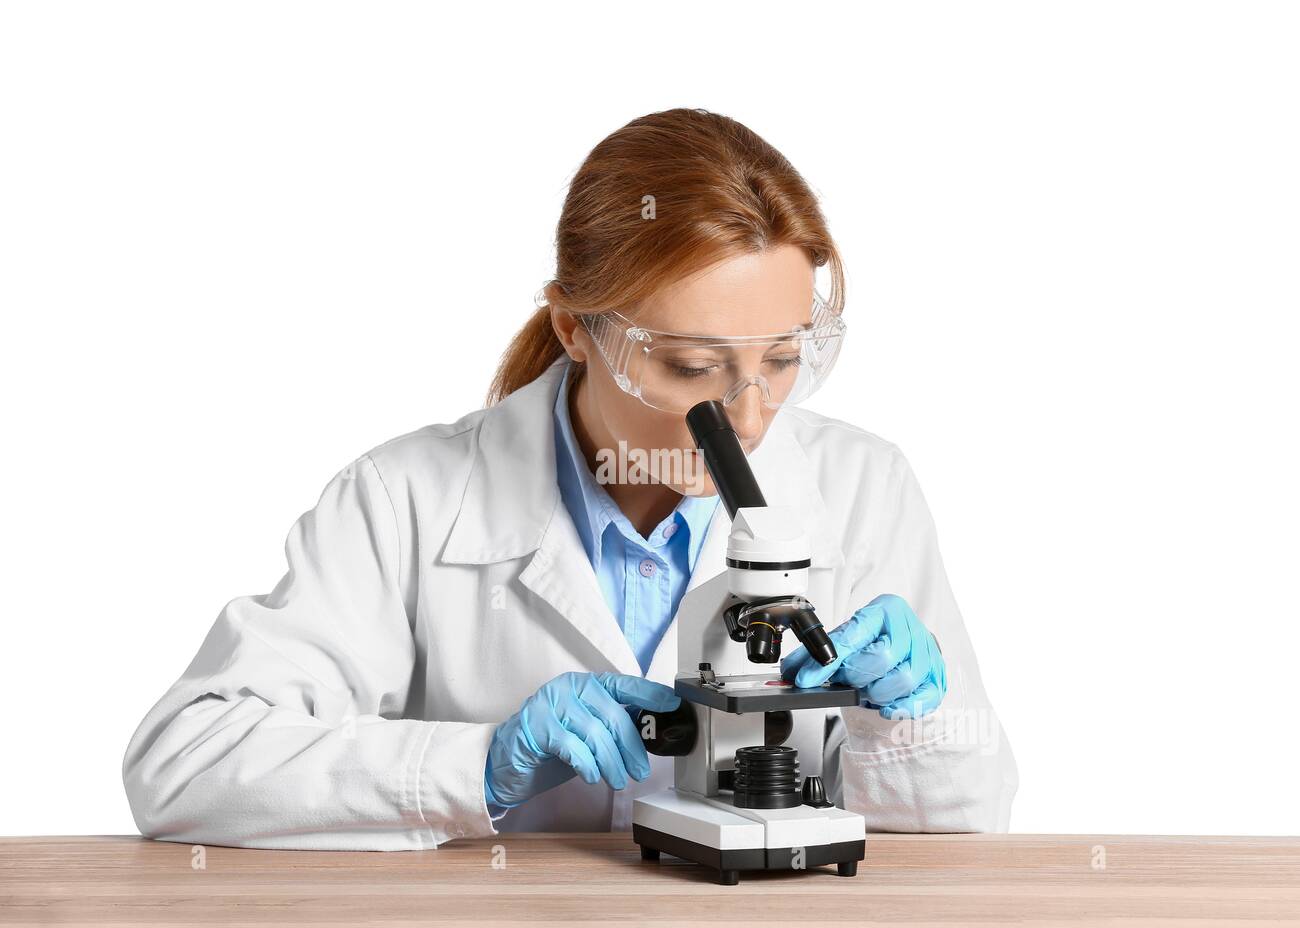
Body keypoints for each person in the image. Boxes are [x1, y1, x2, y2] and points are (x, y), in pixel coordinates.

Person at [122, 108, 1018, 850]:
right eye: (693, 366)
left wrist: (900, 721)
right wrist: (479, 765)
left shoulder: (863, 486)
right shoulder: (406, 500)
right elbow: (183, 765)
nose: (748, 420)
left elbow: (973, 810)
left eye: (781, 360)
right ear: (574, 329)